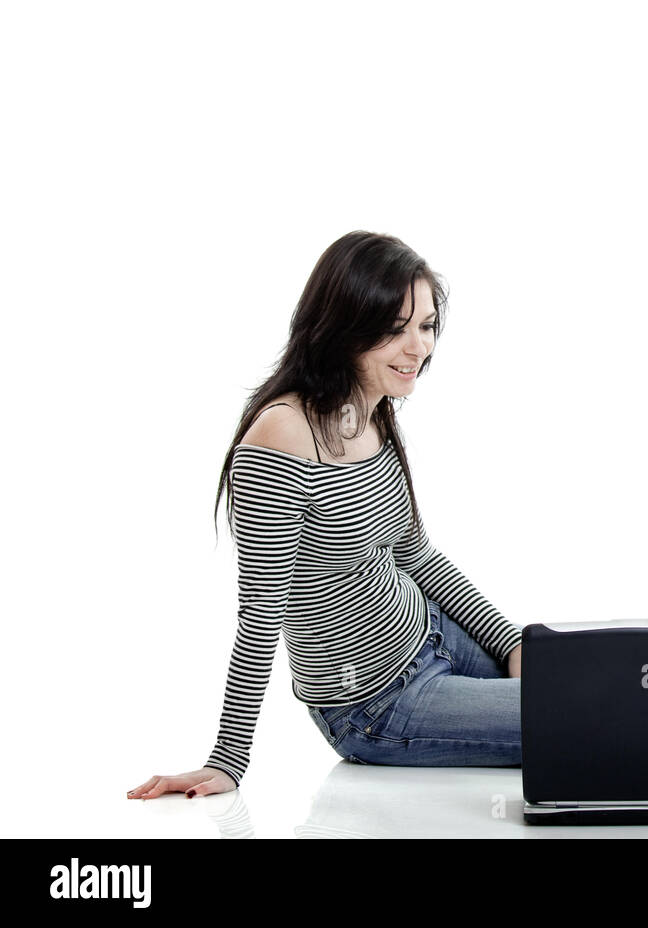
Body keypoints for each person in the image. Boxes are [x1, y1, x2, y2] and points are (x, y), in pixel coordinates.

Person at [128, 231, 522, 801]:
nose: (418, 348)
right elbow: (260, 612)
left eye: (426, 326)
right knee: (581, 722)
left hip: (434, 639)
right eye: (394, 329)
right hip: (378, 704)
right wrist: (227, 760)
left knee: (580, 680)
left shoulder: (373, 404)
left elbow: (415, 554)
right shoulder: (284, 433)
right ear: (344, 324)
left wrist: (509, 643)